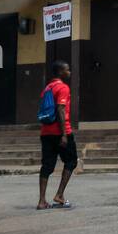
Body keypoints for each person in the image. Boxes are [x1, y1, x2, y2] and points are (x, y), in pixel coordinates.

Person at [38, 60, 77, 210]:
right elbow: (61, 110)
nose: (69, 72)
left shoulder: (47, 88)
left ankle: (42, 201)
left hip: (45, 132)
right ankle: (59, 194)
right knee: (71, 161)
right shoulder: (63, 88)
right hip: (61, 131)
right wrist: (64, 134)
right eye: (67, 70)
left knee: (47, 166)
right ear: (60, 72)